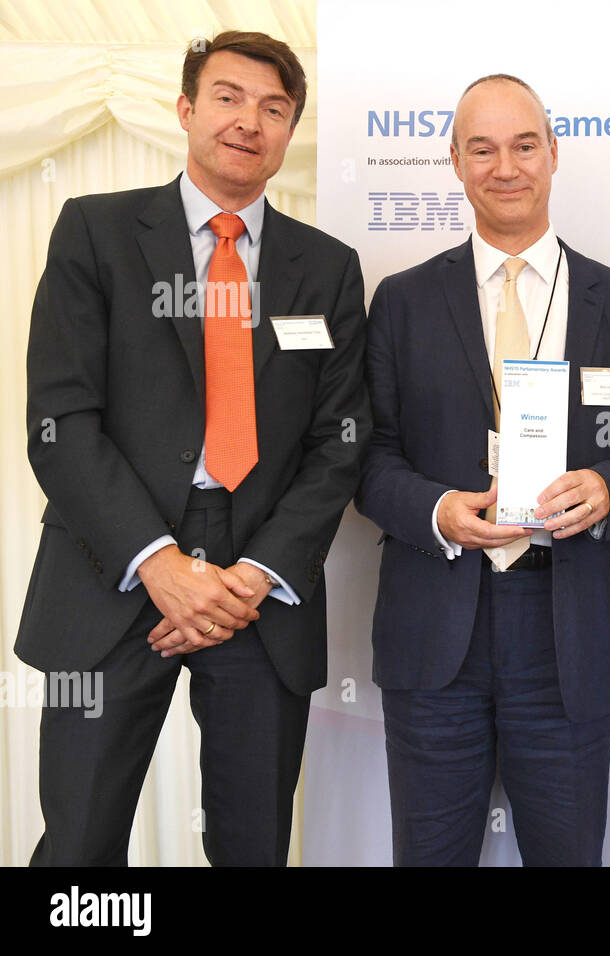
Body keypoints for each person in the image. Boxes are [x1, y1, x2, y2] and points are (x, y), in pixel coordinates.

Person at [17, 31, 370, 865]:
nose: (251, 121)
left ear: (291, 132)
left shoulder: (328, 268)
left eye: (275, 108)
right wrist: (162, 566)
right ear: (185, 109)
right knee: (80, 847)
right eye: (229, 97)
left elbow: (339, 442)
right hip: (114, 572)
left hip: (261, 588)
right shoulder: (95, 234)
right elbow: (60, 420)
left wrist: (249, 578)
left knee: (252, 847)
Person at [356, 74, 610, 867]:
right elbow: (365, 459)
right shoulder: (400, 302)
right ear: (455, 162)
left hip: (567, 628)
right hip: (436, 622)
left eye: (524, 145)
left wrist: (607, 489)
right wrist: (435, 510)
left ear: (554, 155)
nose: (507, 167)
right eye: (483, 149)